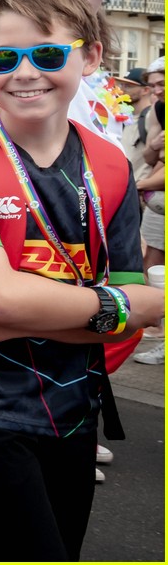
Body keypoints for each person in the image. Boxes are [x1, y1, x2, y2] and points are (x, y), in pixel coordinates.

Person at [0, 0, 161, 560]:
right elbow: (0, 298)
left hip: (76, 403)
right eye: (4, 58)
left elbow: (124, 317)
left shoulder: (111, 166)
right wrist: (122, 307)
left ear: (91, 55)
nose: (25, 73)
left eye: (48, 53)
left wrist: (15, 320)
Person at [132, 57, 165, 365]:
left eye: (162, 84)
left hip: (153, 188)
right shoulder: (158, 109)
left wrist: (137, 187)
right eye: (153, 85)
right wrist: (155, 143)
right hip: (157, 200)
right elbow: (151, 154)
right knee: (153, 263)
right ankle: (158, 329)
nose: (157, 91)